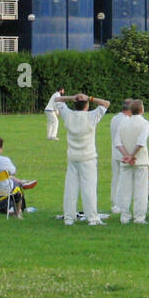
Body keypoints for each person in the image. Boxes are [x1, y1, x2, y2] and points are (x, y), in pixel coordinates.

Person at [53, 91, 110, 225]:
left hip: (73, 157)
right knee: (89, 189)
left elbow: (57, 99)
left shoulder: (68, 115)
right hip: (88, 157)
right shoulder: (91, 116)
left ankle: (69, 218)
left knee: (70, 189)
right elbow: (106, 103)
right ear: (87, 106)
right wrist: (90, 97)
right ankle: (93, 218)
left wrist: (73, 98)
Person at [0, 137, 38, 217]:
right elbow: (13, 172)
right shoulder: (4, 160)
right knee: (17, 188)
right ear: (0, 148)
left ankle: (21, 182)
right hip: (4, 188)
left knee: (7, 177)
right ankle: (17, 213)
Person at [114, 99, 149, 225]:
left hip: (126, 161)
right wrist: (131, 156)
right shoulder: (145, 124)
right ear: (142, 110)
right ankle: (139, 217)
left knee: (125, 190)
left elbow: (117, 143)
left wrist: (126, 156)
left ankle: (125, 216)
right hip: (139, 161)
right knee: (140, 191)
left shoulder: (123, 123)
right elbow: (141, 142)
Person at [108, 99, 134, 215]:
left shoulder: (114, 118)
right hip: (123, 153)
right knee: (123, 180)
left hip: (115, 152)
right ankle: (119, 204)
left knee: (116, 178)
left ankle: (115, 203)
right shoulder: (126, 120)